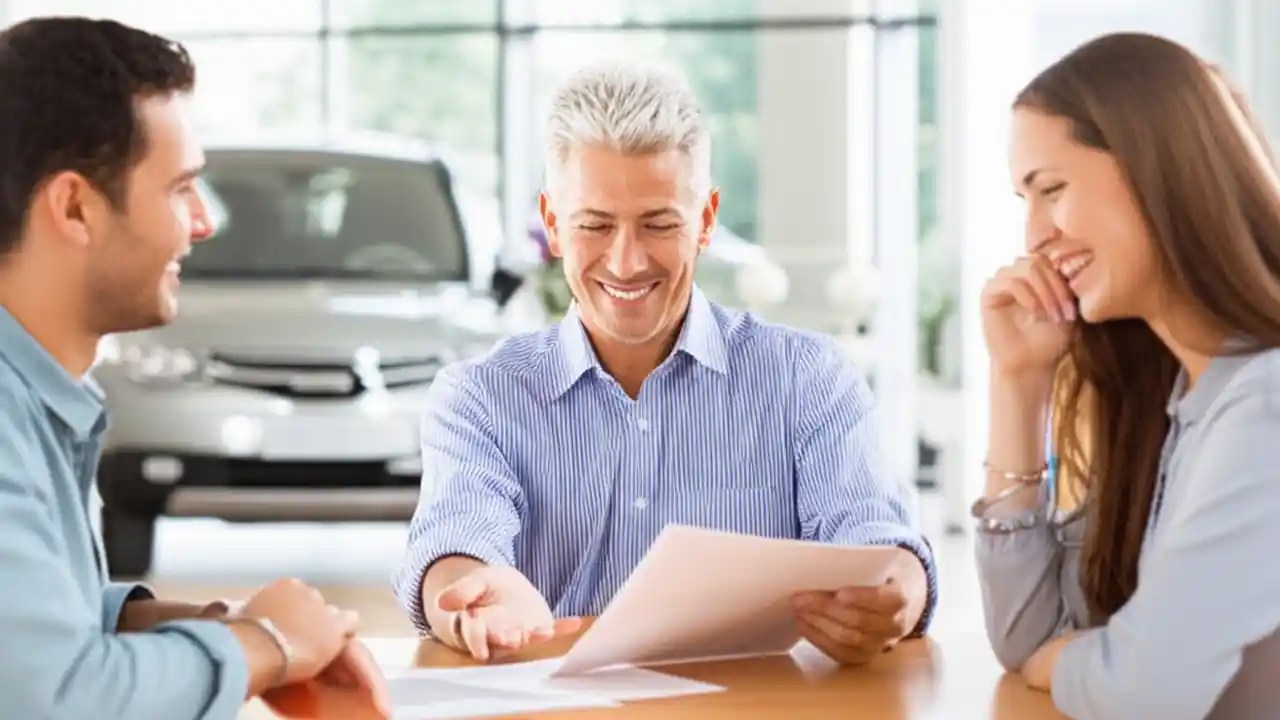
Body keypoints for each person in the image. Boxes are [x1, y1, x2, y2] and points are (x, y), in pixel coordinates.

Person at [393, 61, 937, 665]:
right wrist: (470, 595)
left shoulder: (808, 379)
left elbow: (877, 540)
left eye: (658, 224)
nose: (626, 263)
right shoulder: (480, 395)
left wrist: (899, 594)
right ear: (551, 224)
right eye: (595, 225)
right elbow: (454, 540)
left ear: (705, 220)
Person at [0, 17, 388, 719]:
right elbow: (52, 699)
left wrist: (221, 629)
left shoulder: (33, 393)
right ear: (75, 208)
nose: (203, 222)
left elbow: (41, 624)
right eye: (180, 188)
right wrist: (266, 643)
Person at [975, 32, 1280, 720]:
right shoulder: (1180, 401)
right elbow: (1026, 635)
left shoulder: (1264, 403)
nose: (1034, 237)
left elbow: (1143, 692)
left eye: (1051, 188)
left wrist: (1064, 663)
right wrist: (1017, 384)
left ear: (1159, 170)